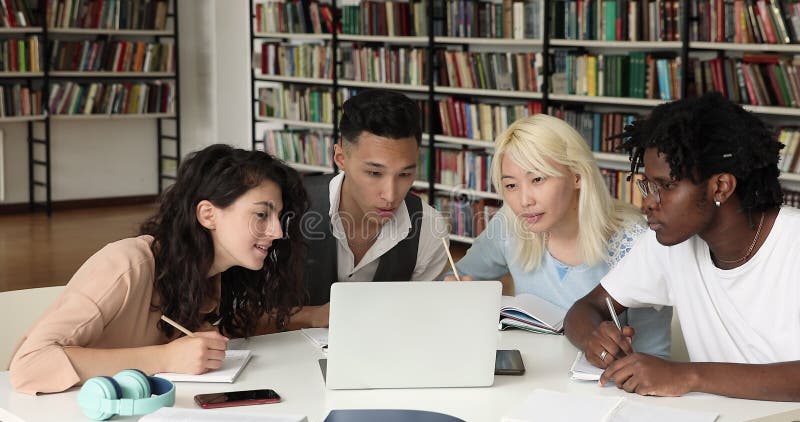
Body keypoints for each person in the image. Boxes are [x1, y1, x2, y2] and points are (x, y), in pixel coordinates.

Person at [9, 144, 308, 394]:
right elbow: (29, 365)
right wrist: (165, 358)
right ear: (208, 214)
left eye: (279, 216)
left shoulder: (210, 279)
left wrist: (315, 315)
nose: (278, 231)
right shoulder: (128, 265)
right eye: (261, 214)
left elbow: (238, 325)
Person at [563, 92, 800, 401]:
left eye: (667, 186)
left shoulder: (792, 242)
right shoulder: (669, 244)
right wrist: (595, 338)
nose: (648, 203)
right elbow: (585, 308)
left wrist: (687, 374)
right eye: (649, 185)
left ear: (720, 186)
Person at [443, 114, 672, 357]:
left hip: (604, 388)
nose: (523, 201)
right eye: (511, 185)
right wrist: (456, 291)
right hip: (530, 378)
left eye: (538, 179)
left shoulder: (634, 243)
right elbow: (454, 280)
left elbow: (654, 357)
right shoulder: (509, 223)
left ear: (577, 176)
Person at [290, 89, 448, 328]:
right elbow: (238, 317)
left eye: (405, 174)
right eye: (374, 173)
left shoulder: (430, 229)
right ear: (341, 158)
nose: (391, 195)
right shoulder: (285, 211)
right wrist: (311, 316)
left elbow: (420, 324)